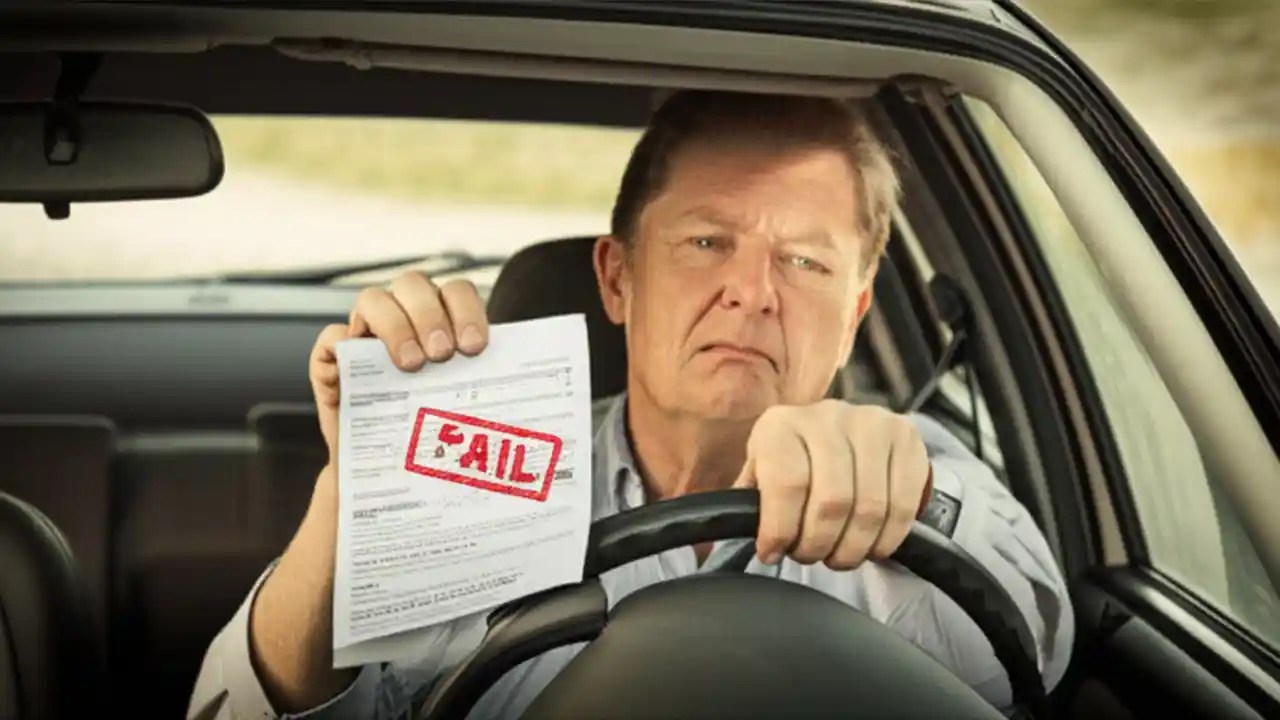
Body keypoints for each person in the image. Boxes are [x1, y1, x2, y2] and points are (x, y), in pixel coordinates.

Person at [188, 90, 1073, 720]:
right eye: (705, 241)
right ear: (619, 279)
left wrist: (905, 504)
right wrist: (358, 494)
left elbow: (1032, 640)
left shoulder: (919, 464)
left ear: (854, 313)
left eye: (805, 261)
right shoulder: (471, 470)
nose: (753, 292)